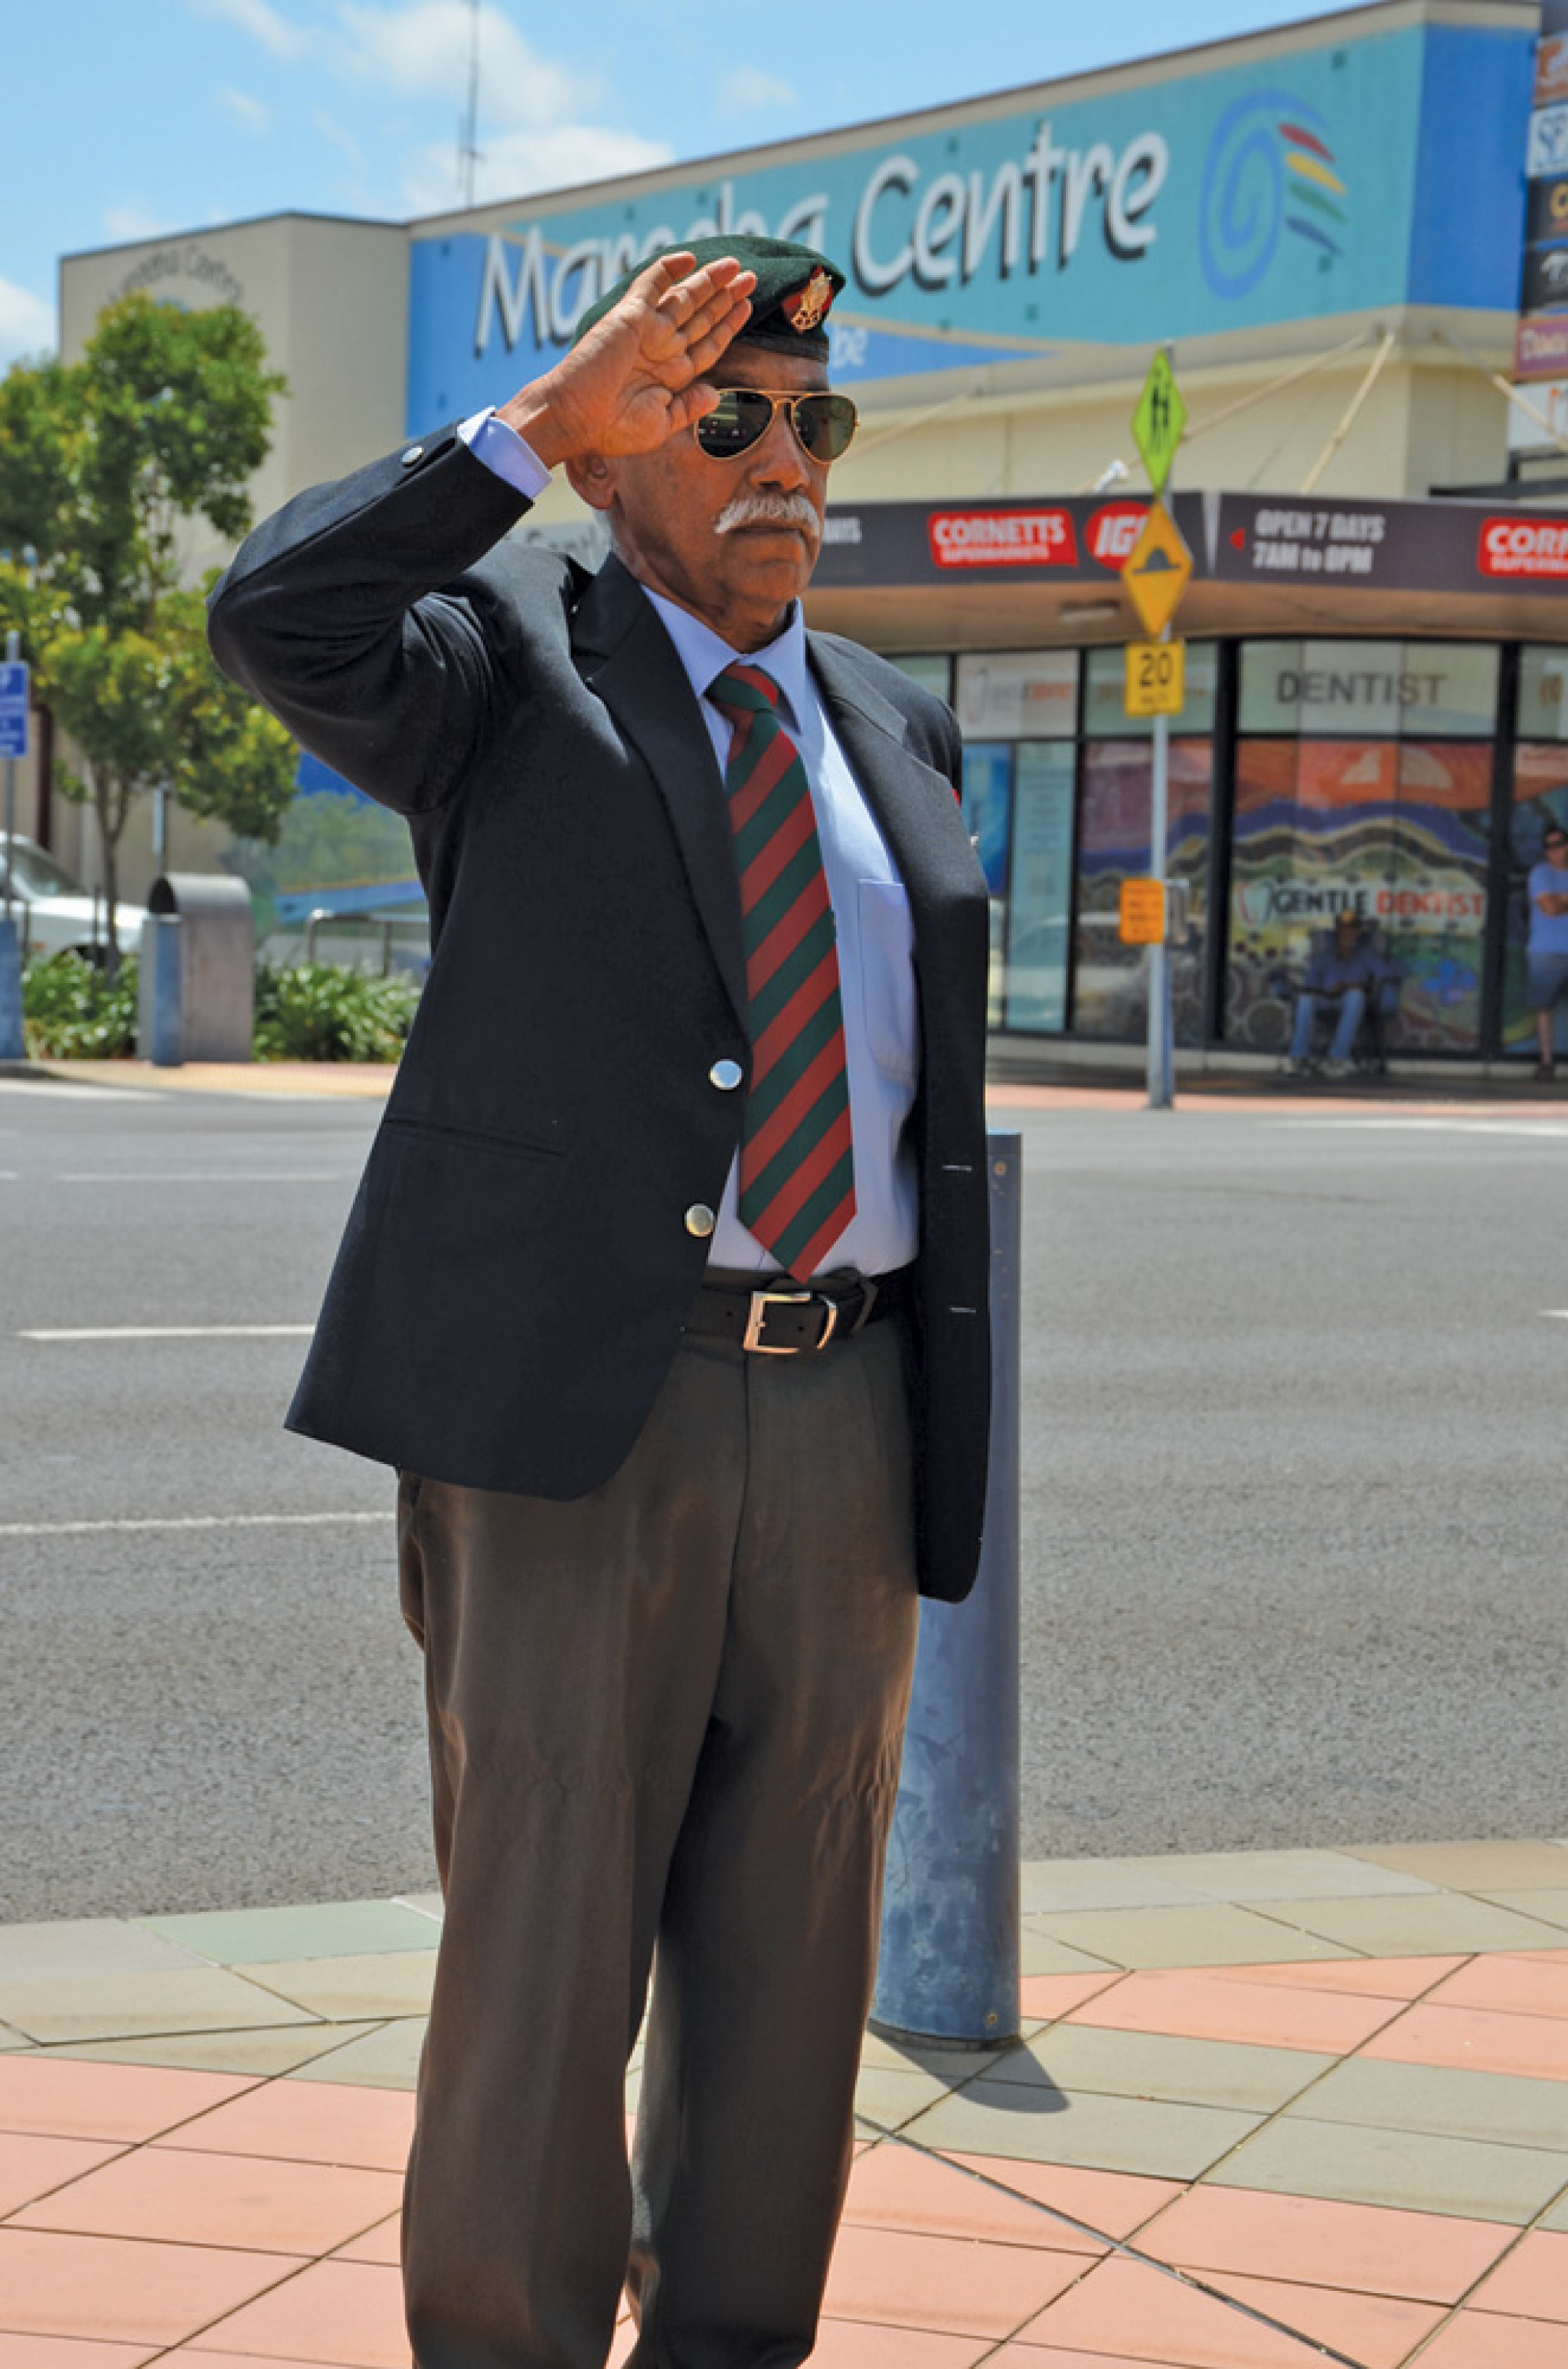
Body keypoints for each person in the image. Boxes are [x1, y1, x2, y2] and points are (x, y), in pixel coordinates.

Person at [207, 236, 992, 2369]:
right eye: (723, 418)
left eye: (809, 423)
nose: (779, 465)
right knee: (544, 1953)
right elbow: (277, 612)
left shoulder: (900, 721)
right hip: (585, 1412)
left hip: (844, 1401)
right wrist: (538, 430)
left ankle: (737, 2337)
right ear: (634, 452)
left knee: (791, 1953)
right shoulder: (504, 656)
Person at [1286, 910, 1379, 1078]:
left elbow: (1384, 977)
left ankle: (1337, 1059)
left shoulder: (1366, 954)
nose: (1348, 933)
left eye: (1353, 929)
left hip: (1350, 1000)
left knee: (1356, 997)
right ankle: (1299, 1058)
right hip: (1325, 998)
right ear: (1337, 932)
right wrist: (1322, 991)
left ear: (1358, 932)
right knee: (1306, 1000)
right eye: (1344, 929)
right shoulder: (1324, 955)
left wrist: (1349, 985)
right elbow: (1310, 984)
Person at [1526, 818, 1568, 1080]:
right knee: (1544, 1007)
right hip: (1546, 949)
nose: (1554, 850)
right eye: (1548, 846)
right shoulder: (1540, 873)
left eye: (1559, 844)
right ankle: (1546, 1061)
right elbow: (1549, 909)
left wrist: (1561, 898)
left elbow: (1555, 904)